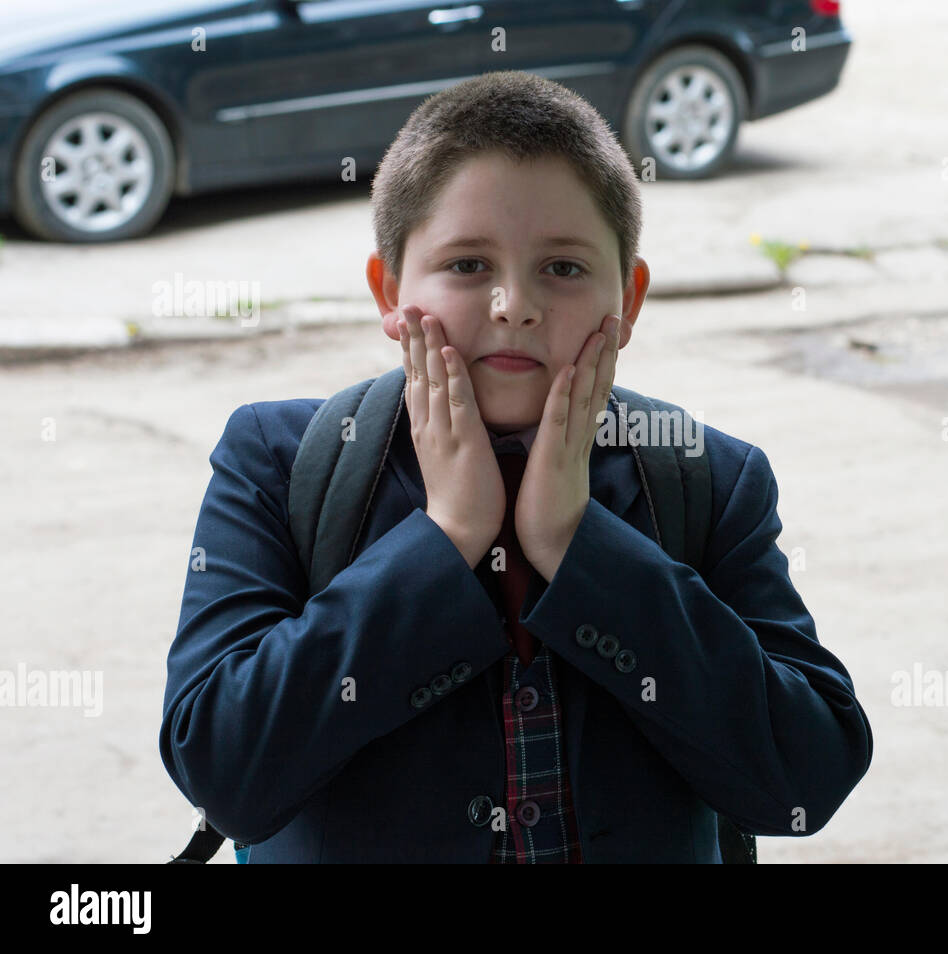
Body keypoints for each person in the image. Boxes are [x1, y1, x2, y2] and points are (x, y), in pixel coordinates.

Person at [159, 70, 872, 862]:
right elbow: (220, 770)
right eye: (467, 265)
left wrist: (579, 548)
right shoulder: (281, 460)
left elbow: (807, 781)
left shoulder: (704, 476)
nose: (514, 306)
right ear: (389, 289)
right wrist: (445, 539)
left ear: (627, 300)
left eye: (562, 268)